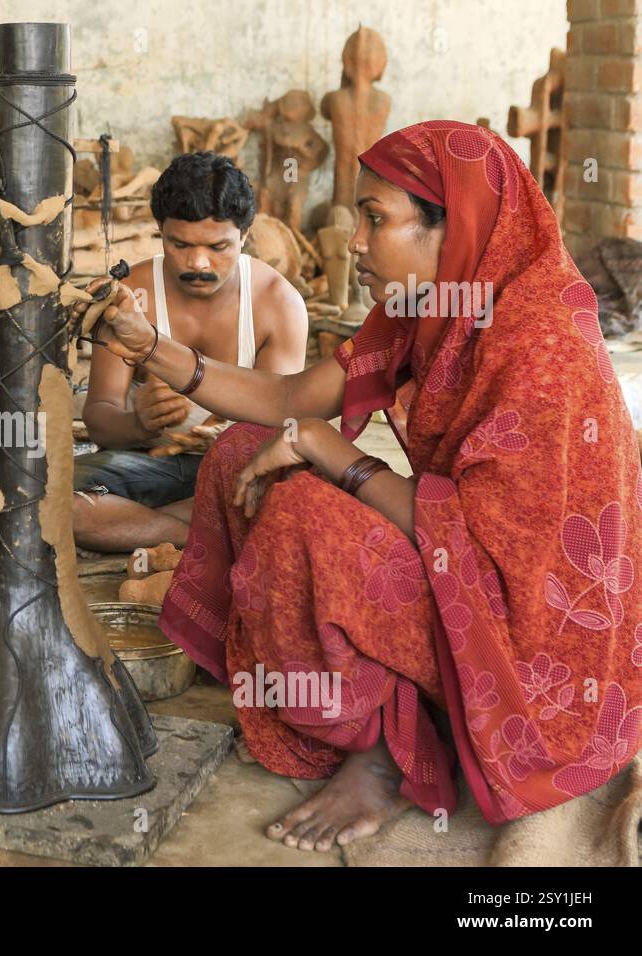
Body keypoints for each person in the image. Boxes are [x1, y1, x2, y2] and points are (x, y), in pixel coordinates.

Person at [76, 120, 642, 851]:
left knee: (306, 515)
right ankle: (367, 706)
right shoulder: (426, 305)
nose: (352, 243)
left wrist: (332, 454)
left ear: (455, 225)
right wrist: (150, 348)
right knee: (239, 453)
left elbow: (473, 539)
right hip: (461, 568)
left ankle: (385, 754)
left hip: (532, 644)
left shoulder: (542, 348)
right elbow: (287, 402)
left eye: (376, 220)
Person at [72, 152, 308, 553]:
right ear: (159, 231)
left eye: (219, 246)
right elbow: (99, 423)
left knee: (291, 494)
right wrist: (138, 424)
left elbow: (277, 426)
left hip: (239, 472)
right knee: (47, 496)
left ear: (245, 236)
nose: (198, 263)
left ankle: (145, 526)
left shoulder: (276, 302)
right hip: (147, 465)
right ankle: (203, 531)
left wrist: (219, 441)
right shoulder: (133, 296)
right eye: (180, 244)